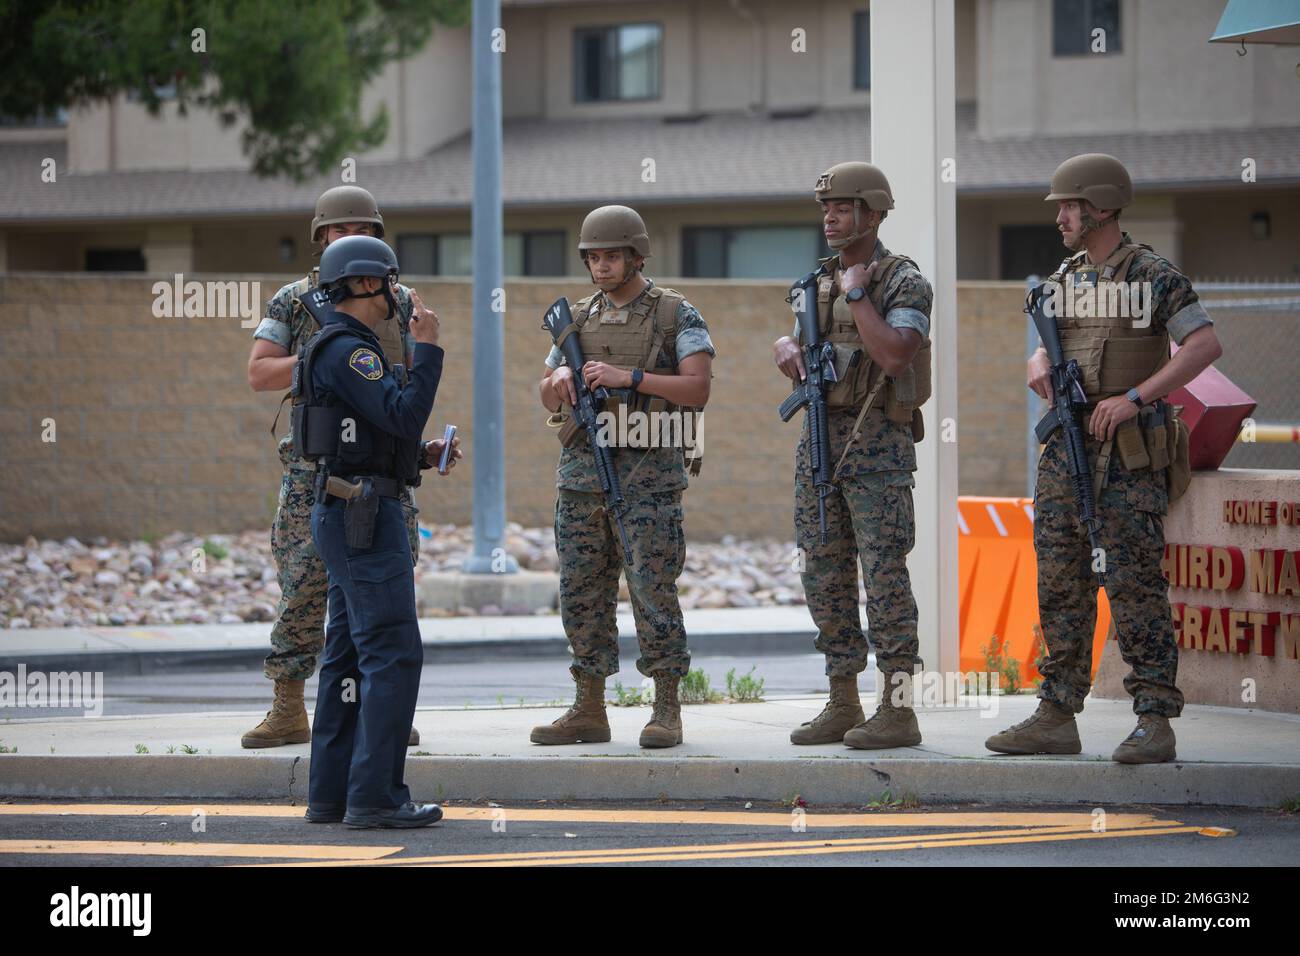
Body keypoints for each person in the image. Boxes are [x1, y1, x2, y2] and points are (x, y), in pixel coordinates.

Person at [985, 153, 1222, 764]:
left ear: (1103, 206)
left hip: (1126, 456)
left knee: (1134, 583)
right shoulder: (1064, 278)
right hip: (1066, 454)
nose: (1060, 217)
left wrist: (1136, 397)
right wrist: (1037, 363)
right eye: (1061, 208)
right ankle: (1057, 714)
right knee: (1059, 582)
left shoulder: (1151, 275)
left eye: (1069, 206)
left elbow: (1204, 345)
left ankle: (1155, 719)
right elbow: (1044, 348)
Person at [245, 185, 429, 749]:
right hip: (315, 468)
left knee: (380, 590)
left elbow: (413, 372)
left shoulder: (403, 299)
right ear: (321, 237)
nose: (353, 239)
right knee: (303, 583)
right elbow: (259, 373)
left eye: (365, 231)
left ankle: (382, 708)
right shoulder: (295, 300)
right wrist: (332, 354)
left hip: (382, 463)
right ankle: (288, 704)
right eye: (340, 230)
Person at [530, 205, 714, 749]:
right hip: (582, 476)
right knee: (581, 591)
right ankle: (589, 706)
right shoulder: (577, 319)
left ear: (636, 257)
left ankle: (666, 706)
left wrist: (629, 377)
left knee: (652, 589)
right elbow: (543, 390)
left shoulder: (674, 314)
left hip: (648, 477)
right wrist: (559, 375)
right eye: (594, 257)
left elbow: (698, 388)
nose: (602, 265)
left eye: (612, 256)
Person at [295, 234, 456, 827]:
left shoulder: (335, 346)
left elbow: (365, 434)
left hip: (346, 507)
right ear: (366, 284)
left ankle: (332, 795)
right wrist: (428, 348)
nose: (396, 292)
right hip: (364, 518)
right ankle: (377, 797)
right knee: (391, 651)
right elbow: (403, 411)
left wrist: (420, 454)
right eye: (388, 281)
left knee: (345, 655)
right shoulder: (352, 350)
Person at [772, 162, 933, 749]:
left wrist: (859, 294)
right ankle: (843, 700)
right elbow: (804, 342)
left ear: (873, 213)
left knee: (884, 578)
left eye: (842, 208)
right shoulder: (815, 281)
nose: (831, 219)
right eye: (825, 209)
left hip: (877, 453)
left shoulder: (902, 281)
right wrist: (787, 344)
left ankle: (898, 710)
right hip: (819, 444)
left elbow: (895, 355)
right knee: (824, 575)